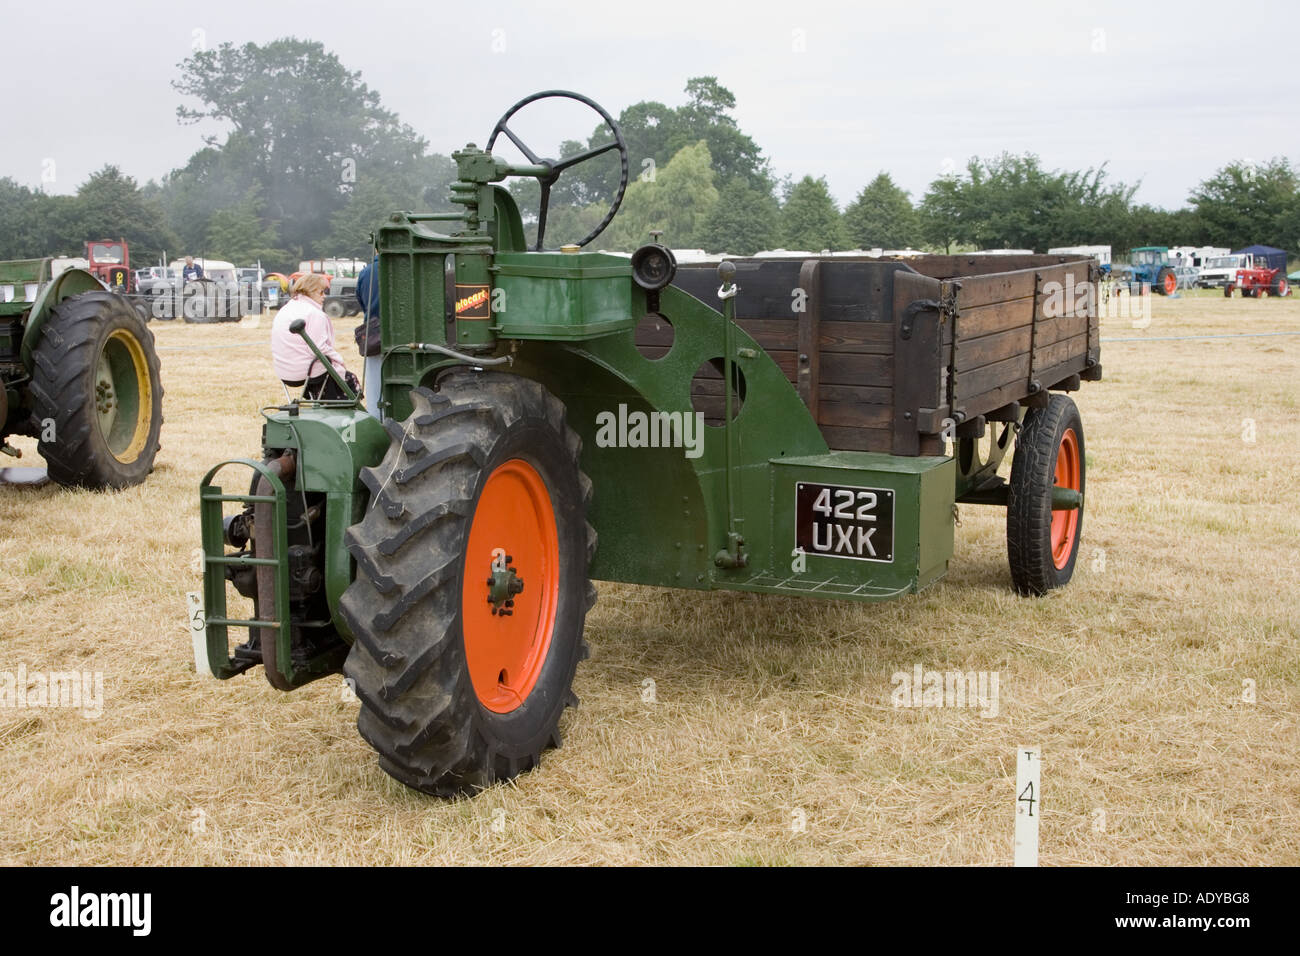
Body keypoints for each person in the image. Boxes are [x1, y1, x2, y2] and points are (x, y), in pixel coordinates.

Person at [271, 273, 360, 400]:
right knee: (350, 380)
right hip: (307, 371)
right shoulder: (314, 313)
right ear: (310, 291)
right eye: (321, 292)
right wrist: (340, 361)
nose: (324, 296)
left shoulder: (287, 308)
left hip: (284, 371)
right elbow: (320, 348)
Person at [353, 255, 382, 418]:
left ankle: (377, 422)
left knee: (374, 389)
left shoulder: (366, 272)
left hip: (374, 336)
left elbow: (362, 302)